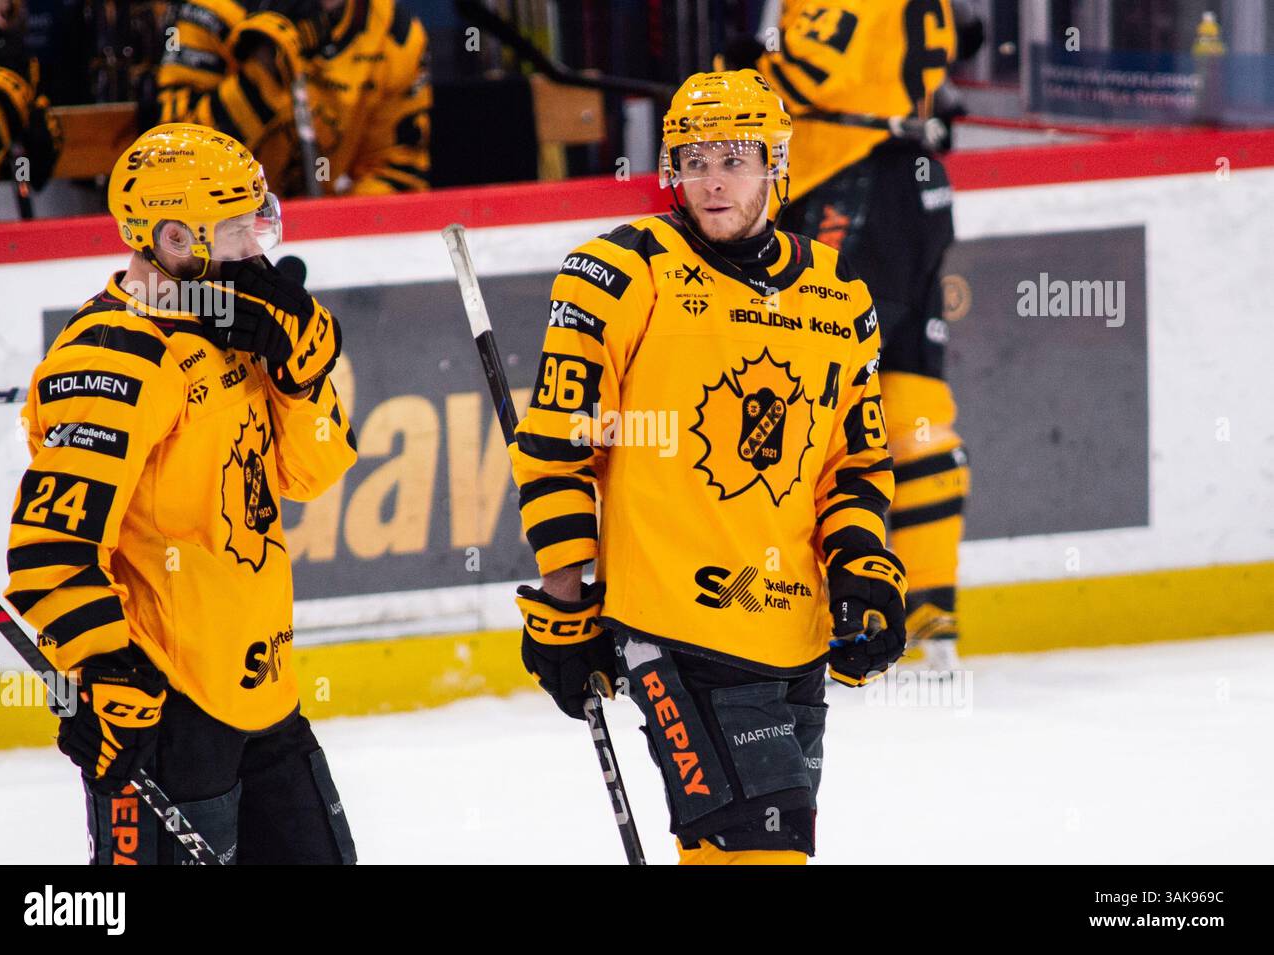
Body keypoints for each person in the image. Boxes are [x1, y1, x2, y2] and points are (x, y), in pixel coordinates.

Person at [509, 69, 906, 864]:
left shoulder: (839, 298)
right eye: (694, 160)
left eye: (733, 159)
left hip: (793, 629)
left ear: (776, 164)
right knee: (760, 852)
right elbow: (557, 446)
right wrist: (564, 604)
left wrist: (864, 570)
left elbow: (854, 463)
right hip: (675, 623)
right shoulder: (620, 274)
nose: (712, 181)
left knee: (750, 851)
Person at [4, 122, 358, 864]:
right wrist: (102, 669)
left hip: (263, 690)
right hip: (166, 705)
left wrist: (300, 374)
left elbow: (311, 474)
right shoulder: (114, 355)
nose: (256, 249)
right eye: (235, 229)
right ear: (173, 239)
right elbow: (52, 547)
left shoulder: (236, 325)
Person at [758, 0, 984, 670]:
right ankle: (929, 612)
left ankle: (798, 604)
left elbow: (806, 69)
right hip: (913, 184)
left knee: (811, 394)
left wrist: (730, 76)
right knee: (913, 403)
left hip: (847, 181)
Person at [153, 0, 430, 197]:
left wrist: (339, 235)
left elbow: (395, 175)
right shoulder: (210, 10)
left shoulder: (394, 31)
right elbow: (175, 165)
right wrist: (265, 69)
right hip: (216, 237)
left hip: (319, 236)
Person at [0, 0, 58, 206]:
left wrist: (27, 175)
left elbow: (37, 139)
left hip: (12, 149)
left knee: (20, 158)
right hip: (5, 144)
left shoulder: (17, 58)